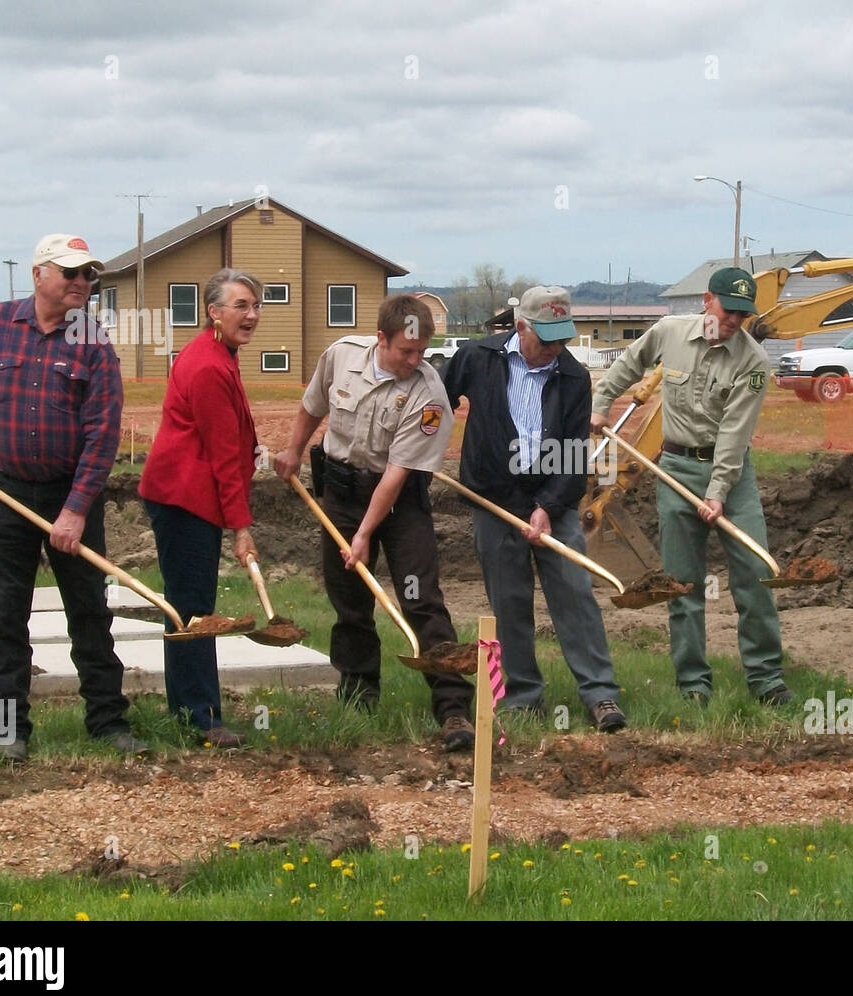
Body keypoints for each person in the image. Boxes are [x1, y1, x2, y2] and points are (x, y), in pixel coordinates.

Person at [0, 234, 144, 762]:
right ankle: (9, 731)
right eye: (69, 272)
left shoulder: (94, 343)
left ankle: (107, 722)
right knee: (7, 613)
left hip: (71, 495)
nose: (81, 283)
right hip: (2, 490)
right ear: (38, 274)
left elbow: (102, 436)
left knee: (89, 610)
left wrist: (74, 511)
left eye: (88, 275)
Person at [273, 295, 475, 751]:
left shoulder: (429, 395)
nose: (415, 360)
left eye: (422, 351)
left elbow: (397, 474)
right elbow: (312, 405)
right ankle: (358, 699)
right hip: (340, 493)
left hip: (399, 503)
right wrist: (293, 450)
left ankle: (454, 708)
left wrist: (363, 536)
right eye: (406, 351)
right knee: (350, 603)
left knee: (420, 598)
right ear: (381, 338)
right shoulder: (342, 355)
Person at [591, 266, 794, 708]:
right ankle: (693, 686)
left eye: (743, 314)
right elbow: (628, 364)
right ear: (707, 300)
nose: (734, 321)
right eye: (728, 310)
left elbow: (734, 434)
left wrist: (718, 491)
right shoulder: (669, 332)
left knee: (755, 576)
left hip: (732, 477)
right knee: (683, 584)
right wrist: (602, 403)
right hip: (676, 469)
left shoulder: (753, 363)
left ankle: (766, 679)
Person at [443, 286, 625, 731]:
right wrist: (422, 442)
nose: (555, 350)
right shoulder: (476, 358)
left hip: (554, 498)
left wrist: (546, 506)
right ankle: (523, 697)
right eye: (546, 340)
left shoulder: (572, 376)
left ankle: (600, 694)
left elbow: (572, 453)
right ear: (520, 327)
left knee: (574, 592)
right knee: (509, 600)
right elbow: (435, 402)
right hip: (493, 499)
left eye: (562, 339)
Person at [138, 268, 264, 748]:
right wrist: (241, 528)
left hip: (187, 495)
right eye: (240, 306)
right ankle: (200, 719)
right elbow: (222, 455)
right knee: (192, 609)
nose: (250, 315)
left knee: (189, 604)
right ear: (214, 311)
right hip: (184, 498)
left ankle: (189, 710)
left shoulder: (217, 353)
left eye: (255, 306)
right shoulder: (209, 366)